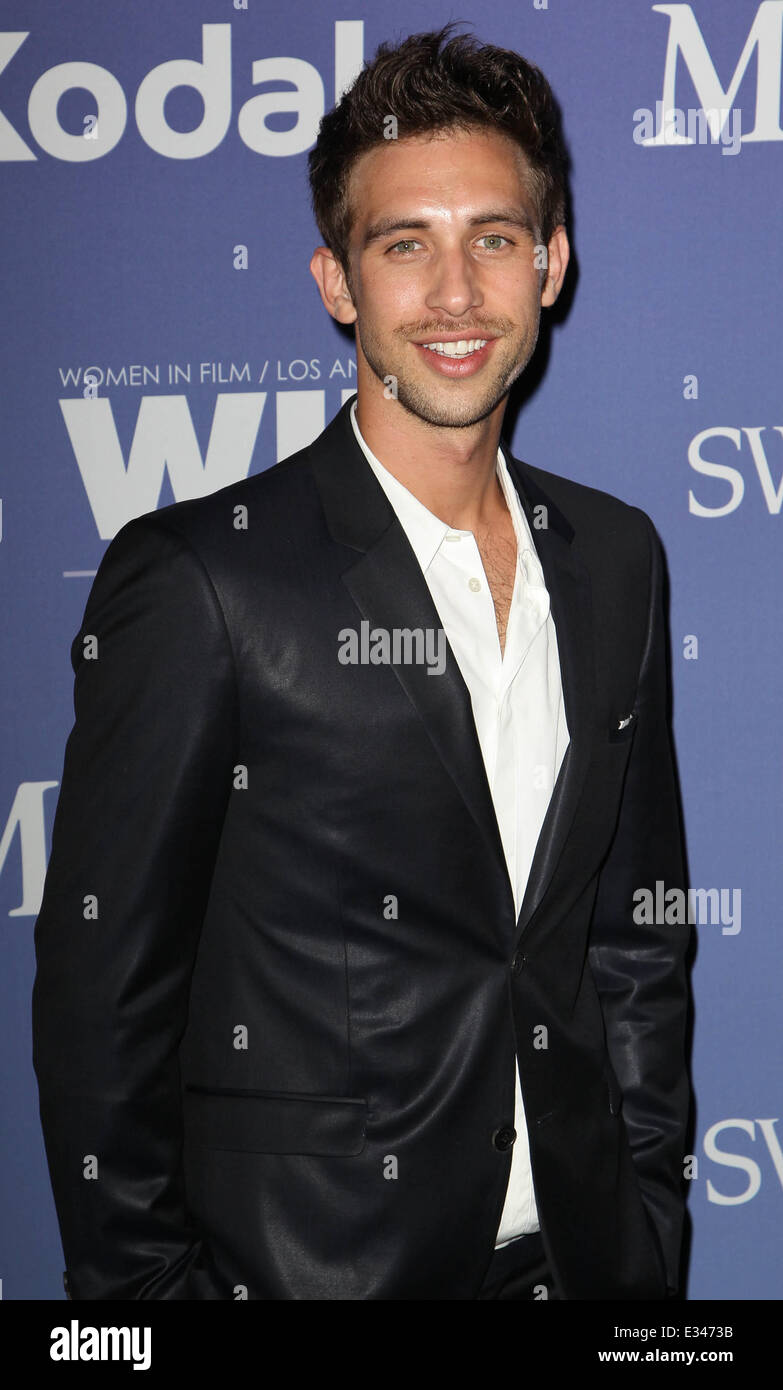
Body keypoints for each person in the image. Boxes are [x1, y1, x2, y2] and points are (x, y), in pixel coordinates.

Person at [32, 24, 691, 1301]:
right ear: (337, 281)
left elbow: (634, 939)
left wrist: (646, 1214)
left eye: (493, 238)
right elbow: (101, 997)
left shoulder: (616, 557)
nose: (455, 294)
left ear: (550, 264)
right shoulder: (206, 577)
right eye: (406, 245)